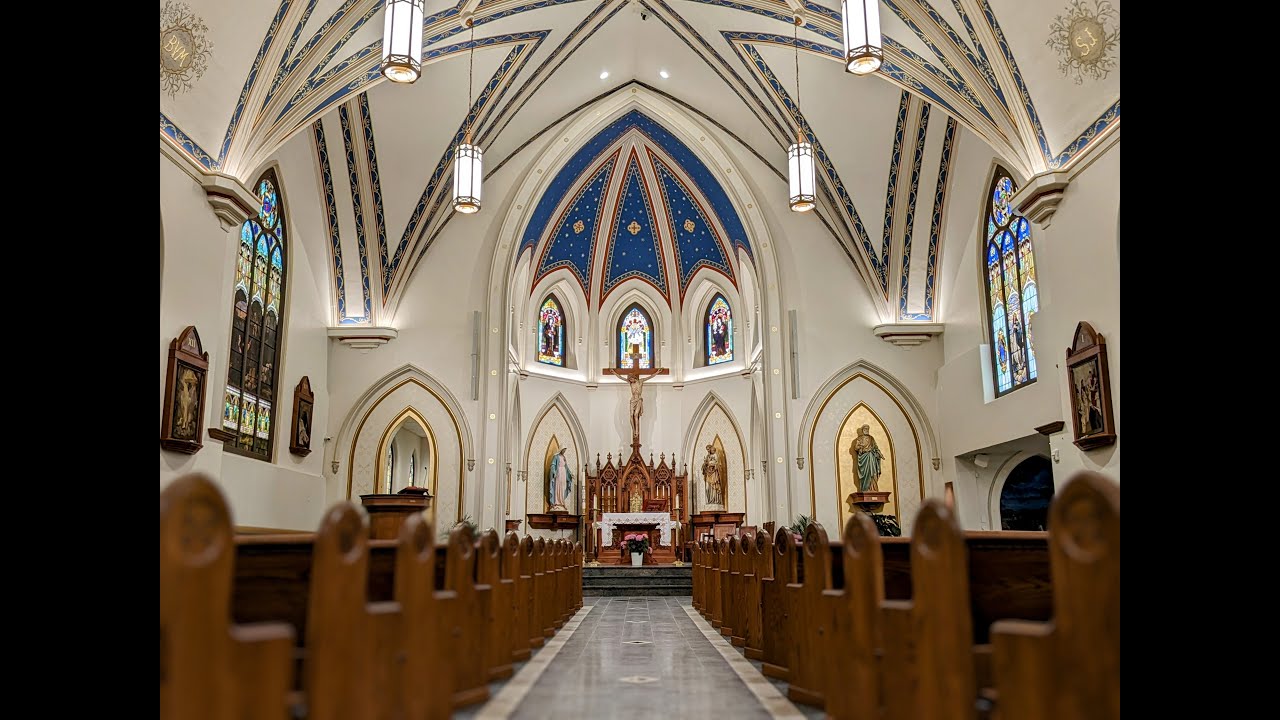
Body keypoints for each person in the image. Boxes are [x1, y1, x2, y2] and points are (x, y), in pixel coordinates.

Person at [850, 424, 883, 492]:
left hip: (871, 457)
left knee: (873, 471)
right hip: (864, 458)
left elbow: (876, 447)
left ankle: (873, 488)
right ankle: (865, 488)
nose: (866, 430)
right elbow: (856, 447)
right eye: (865, 429)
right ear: (862, 430)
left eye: (867, 429)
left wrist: (879, 453)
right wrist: (861, 447)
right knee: (866, 474)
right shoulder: (859, 439)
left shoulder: (872, 438)